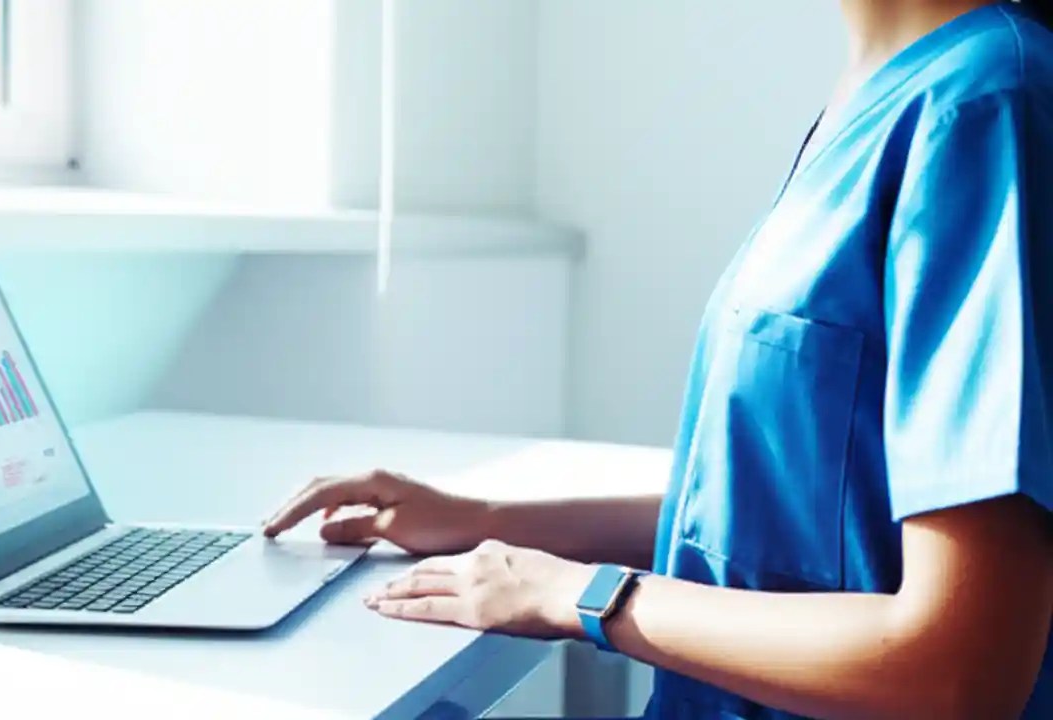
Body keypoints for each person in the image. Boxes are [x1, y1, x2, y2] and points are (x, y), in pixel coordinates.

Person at [264, 1, 1053, 717]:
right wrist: (487, 523)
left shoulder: (985, 104)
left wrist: (583, 596)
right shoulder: (879, 93)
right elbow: (784, 524)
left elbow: (960, 670)